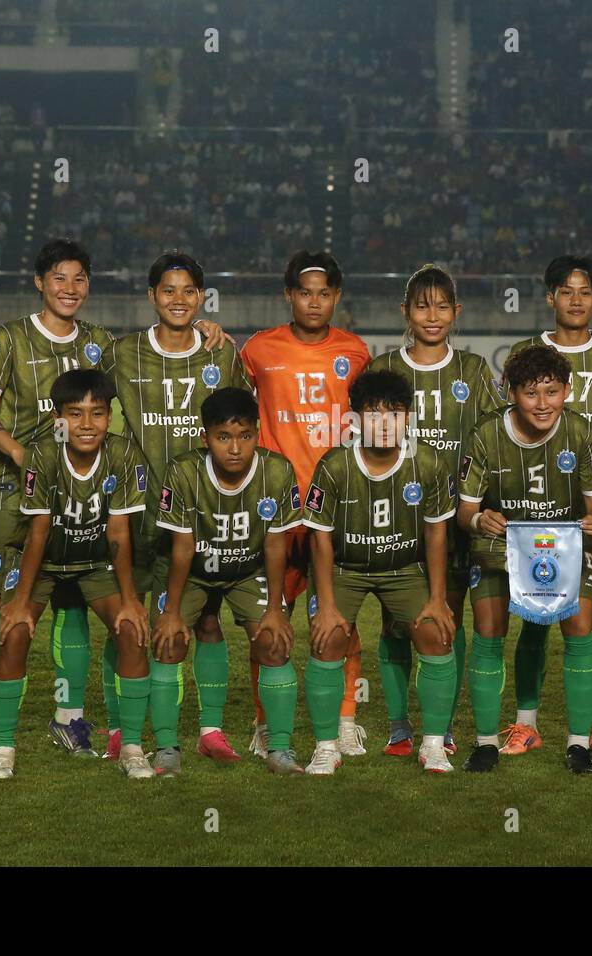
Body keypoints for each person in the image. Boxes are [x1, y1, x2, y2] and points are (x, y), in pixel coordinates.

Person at [0, 238, 114, 762]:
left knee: (72, 601)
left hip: (79, 498)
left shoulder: (99, 342)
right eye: (59, 279)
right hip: (12, 493)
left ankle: (69, 719)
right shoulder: (10, 338)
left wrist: (207, 332)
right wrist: (21, 454)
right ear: (39, 282)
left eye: (79, 280)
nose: (70, 289)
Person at [100, 251, 244, 767]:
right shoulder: (123, 353)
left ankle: (211, 730)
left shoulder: (221, 355)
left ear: (201, 298)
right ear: (151, 297)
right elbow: (86, 406)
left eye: (188, 292)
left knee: (204, 620)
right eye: (168, 291)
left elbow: (241, 426)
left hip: (204, 512)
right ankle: (120, 727)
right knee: (127, 619)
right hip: (139, 510)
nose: (178, 300)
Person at [504, 255, 592, 759]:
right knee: (533, 618)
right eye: (566, 291)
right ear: (550, 298)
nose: (576, 300)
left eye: (585, 291)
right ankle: (525, 723)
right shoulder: (528, 353)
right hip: (537, 509)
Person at [0, 370, 153, 780]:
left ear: (109, 418)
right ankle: (3, 747)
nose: (86, 424)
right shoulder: (42, 455)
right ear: (58, 418)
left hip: (94, 563)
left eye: (97, 413)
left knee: (131, 631)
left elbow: (118, 532)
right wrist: (22, 601)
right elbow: (38, 531)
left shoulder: (124, 455)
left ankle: (131, 746)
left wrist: (130, 599)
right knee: (16, 631)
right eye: (75, 414)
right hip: (43, 563)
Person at [239, 250, 372, 758]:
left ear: (336, 296)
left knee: (339, 619)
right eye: (303, 292)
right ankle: (263, 721)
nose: (313, 302)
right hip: (274, 506)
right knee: (268, 619)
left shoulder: (355, 351)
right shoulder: (257, 350)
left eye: (323, 293)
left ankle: (343, 720)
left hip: (335, 508)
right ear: (288, 295)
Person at [456, 346, 592, 775]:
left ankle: (579, 745)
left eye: (552, 392)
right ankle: (485, 743)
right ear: (511, 393)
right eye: (530, 393)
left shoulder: (581, 433)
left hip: (561, 544)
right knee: (489, 628)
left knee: (580, 627)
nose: (542, 404)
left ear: (566, 391)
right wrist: (479, 519)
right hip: (501, 545)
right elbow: (464, 510)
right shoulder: (486, 435)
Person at [369, 264, 499, 756]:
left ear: (456, 312)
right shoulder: (386, 371)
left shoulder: (472, 371)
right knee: (395, 622)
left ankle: (441, 725)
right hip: (398, 520)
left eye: (442, 305)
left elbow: (493, 438)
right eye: (421, 305)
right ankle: (400, 726)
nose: (432, 315)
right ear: (405, 311)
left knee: (449, 617)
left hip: (459, 521)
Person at [300, 371, 457, 774]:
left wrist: (438, 598)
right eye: (373, 413)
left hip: (404, 568)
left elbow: (436, 532)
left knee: (436, 632)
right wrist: (329, 606)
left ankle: (434, 745)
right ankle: (326, 745)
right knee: (328, 636)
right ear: (355, 419)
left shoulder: (428, 463)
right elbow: (318, 538)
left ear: (408, 418)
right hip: (345, 568)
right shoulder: (335, 465)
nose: (384, 423)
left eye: (395, 413)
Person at [151, 388, 304, 775]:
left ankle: (280, 751)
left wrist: (274, 609)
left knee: (274, 642)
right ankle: (167, 747)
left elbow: (274, 542)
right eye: (223, 437)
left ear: (257, 433)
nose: (235, 448)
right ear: (205, 438)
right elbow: (182, 547)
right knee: (168, 641)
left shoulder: (277, 471)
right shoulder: (184, 471)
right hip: (194, 571)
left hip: (248, 570)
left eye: (245, 436)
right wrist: (171, 612)